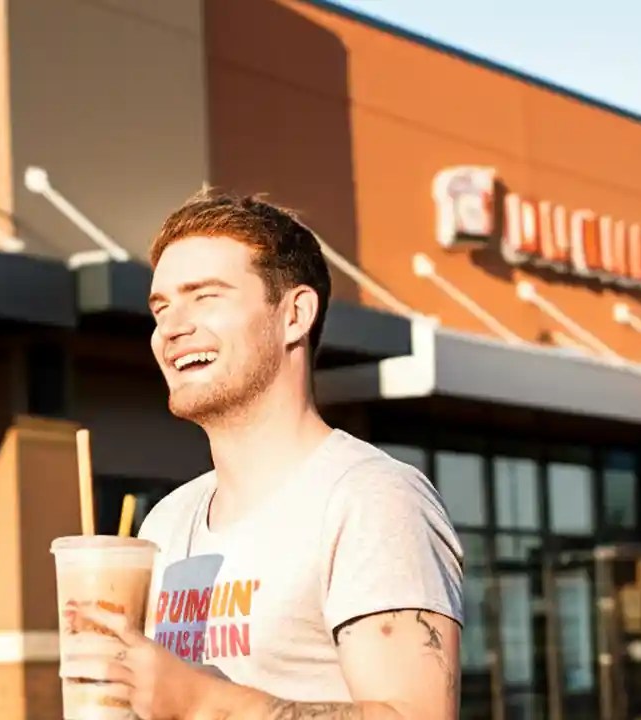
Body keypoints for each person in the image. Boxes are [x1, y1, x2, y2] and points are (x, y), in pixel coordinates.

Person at [80, 189, 465, 719]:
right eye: (161, 307)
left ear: (294, 315)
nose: (170, 327)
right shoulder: (167, 523)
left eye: (205, 296)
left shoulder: (369, 498)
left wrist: (204, 703)